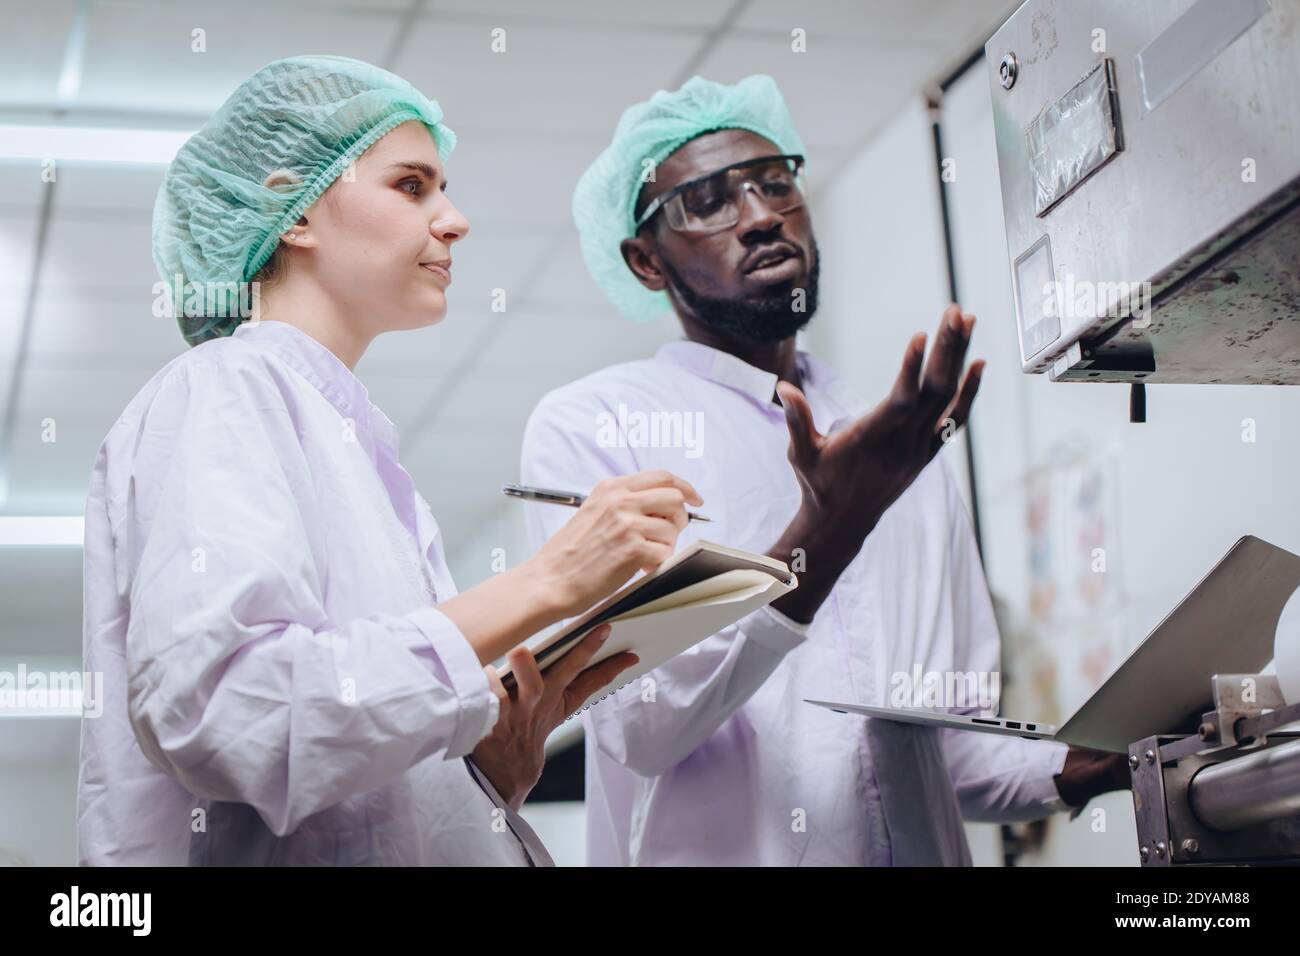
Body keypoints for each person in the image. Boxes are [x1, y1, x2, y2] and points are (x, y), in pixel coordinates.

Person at [77, 55, 701, 866]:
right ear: (289, 208)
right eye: (412, 186)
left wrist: (490, 772)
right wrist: (544, 584)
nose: (454, 220)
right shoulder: (222, 390)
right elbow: (229, 712)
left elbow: (358, 763)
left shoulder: (355, 451)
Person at [520, 75, 1129, 866]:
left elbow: (944, 752)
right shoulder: (597, 429)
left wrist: (1083, 765)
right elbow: (640, 719)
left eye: (776, 182)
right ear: (645, 260)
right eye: (707, 201)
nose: (763, 214)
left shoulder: (896, 441)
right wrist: (824, 534)